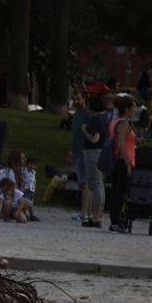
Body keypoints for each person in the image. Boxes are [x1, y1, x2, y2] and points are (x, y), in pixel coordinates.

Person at [107, 95, 138, 234]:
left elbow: (122, 140)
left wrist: (136, 141)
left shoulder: (115, 121)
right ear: (127, 109)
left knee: (115, 191)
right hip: (122, 161)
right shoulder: (124, 123)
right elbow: (121, 144)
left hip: (116, 160)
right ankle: (115, 223)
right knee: (120, 192)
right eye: (134, 108)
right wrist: (128, 163)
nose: (135, 111)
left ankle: (114, 221)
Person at [81, 96, 109, 229]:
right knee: (100, 184)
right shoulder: (105, 118)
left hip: (93, 153)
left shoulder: (96, 120)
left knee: (95, 184)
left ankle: (96, 216)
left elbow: (94, 139)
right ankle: (99, 214)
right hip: (101, 152)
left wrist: (85, 130)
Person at [66, 90, 92, 223]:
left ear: (84, 99)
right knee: (84, 183)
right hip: (77, 153)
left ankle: (84, 213)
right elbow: (75, 135)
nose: (75, 102)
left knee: (85, 184)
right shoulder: (76, 114)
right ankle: (87, 212)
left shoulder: (88, 114)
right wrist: (70, 150)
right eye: (73, 99)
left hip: (84, 153)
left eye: (78, 99)